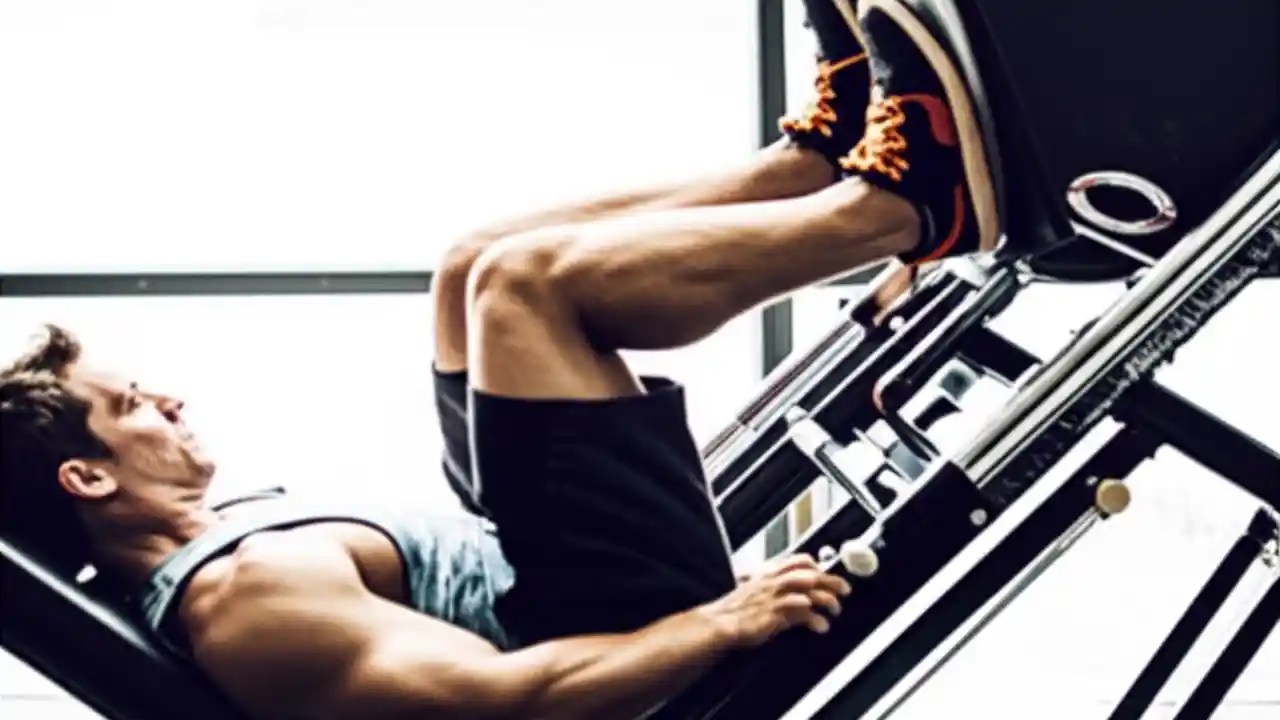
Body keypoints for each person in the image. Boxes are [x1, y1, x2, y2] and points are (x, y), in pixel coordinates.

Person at [0, 1, 996, 718]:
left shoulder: (229, 545)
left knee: (469, 272)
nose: (167, 398)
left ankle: (810, 169)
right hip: (624, 629)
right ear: (85, 475)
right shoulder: (244, 607)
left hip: (535, 570)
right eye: (129, 404)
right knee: (531, 291)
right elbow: (506, 703)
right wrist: (724, 625)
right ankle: (901, 209)